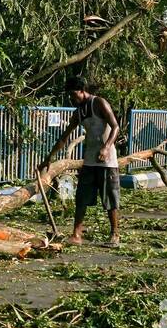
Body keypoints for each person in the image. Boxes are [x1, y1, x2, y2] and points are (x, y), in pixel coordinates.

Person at [38, 75, 122, 247]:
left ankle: (115, 234)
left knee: (110, 198)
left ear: (82, 91)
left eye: (73, 94)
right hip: (90, 160)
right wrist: (49, 157)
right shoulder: (78, 112)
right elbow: (64, 137)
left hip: (107, 161)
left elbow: (115, 126)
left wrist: (106, 147)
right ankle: (76, 234)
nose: (72, 98)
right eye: (69, 95)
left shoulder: (99, 103)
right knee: (81, 197)